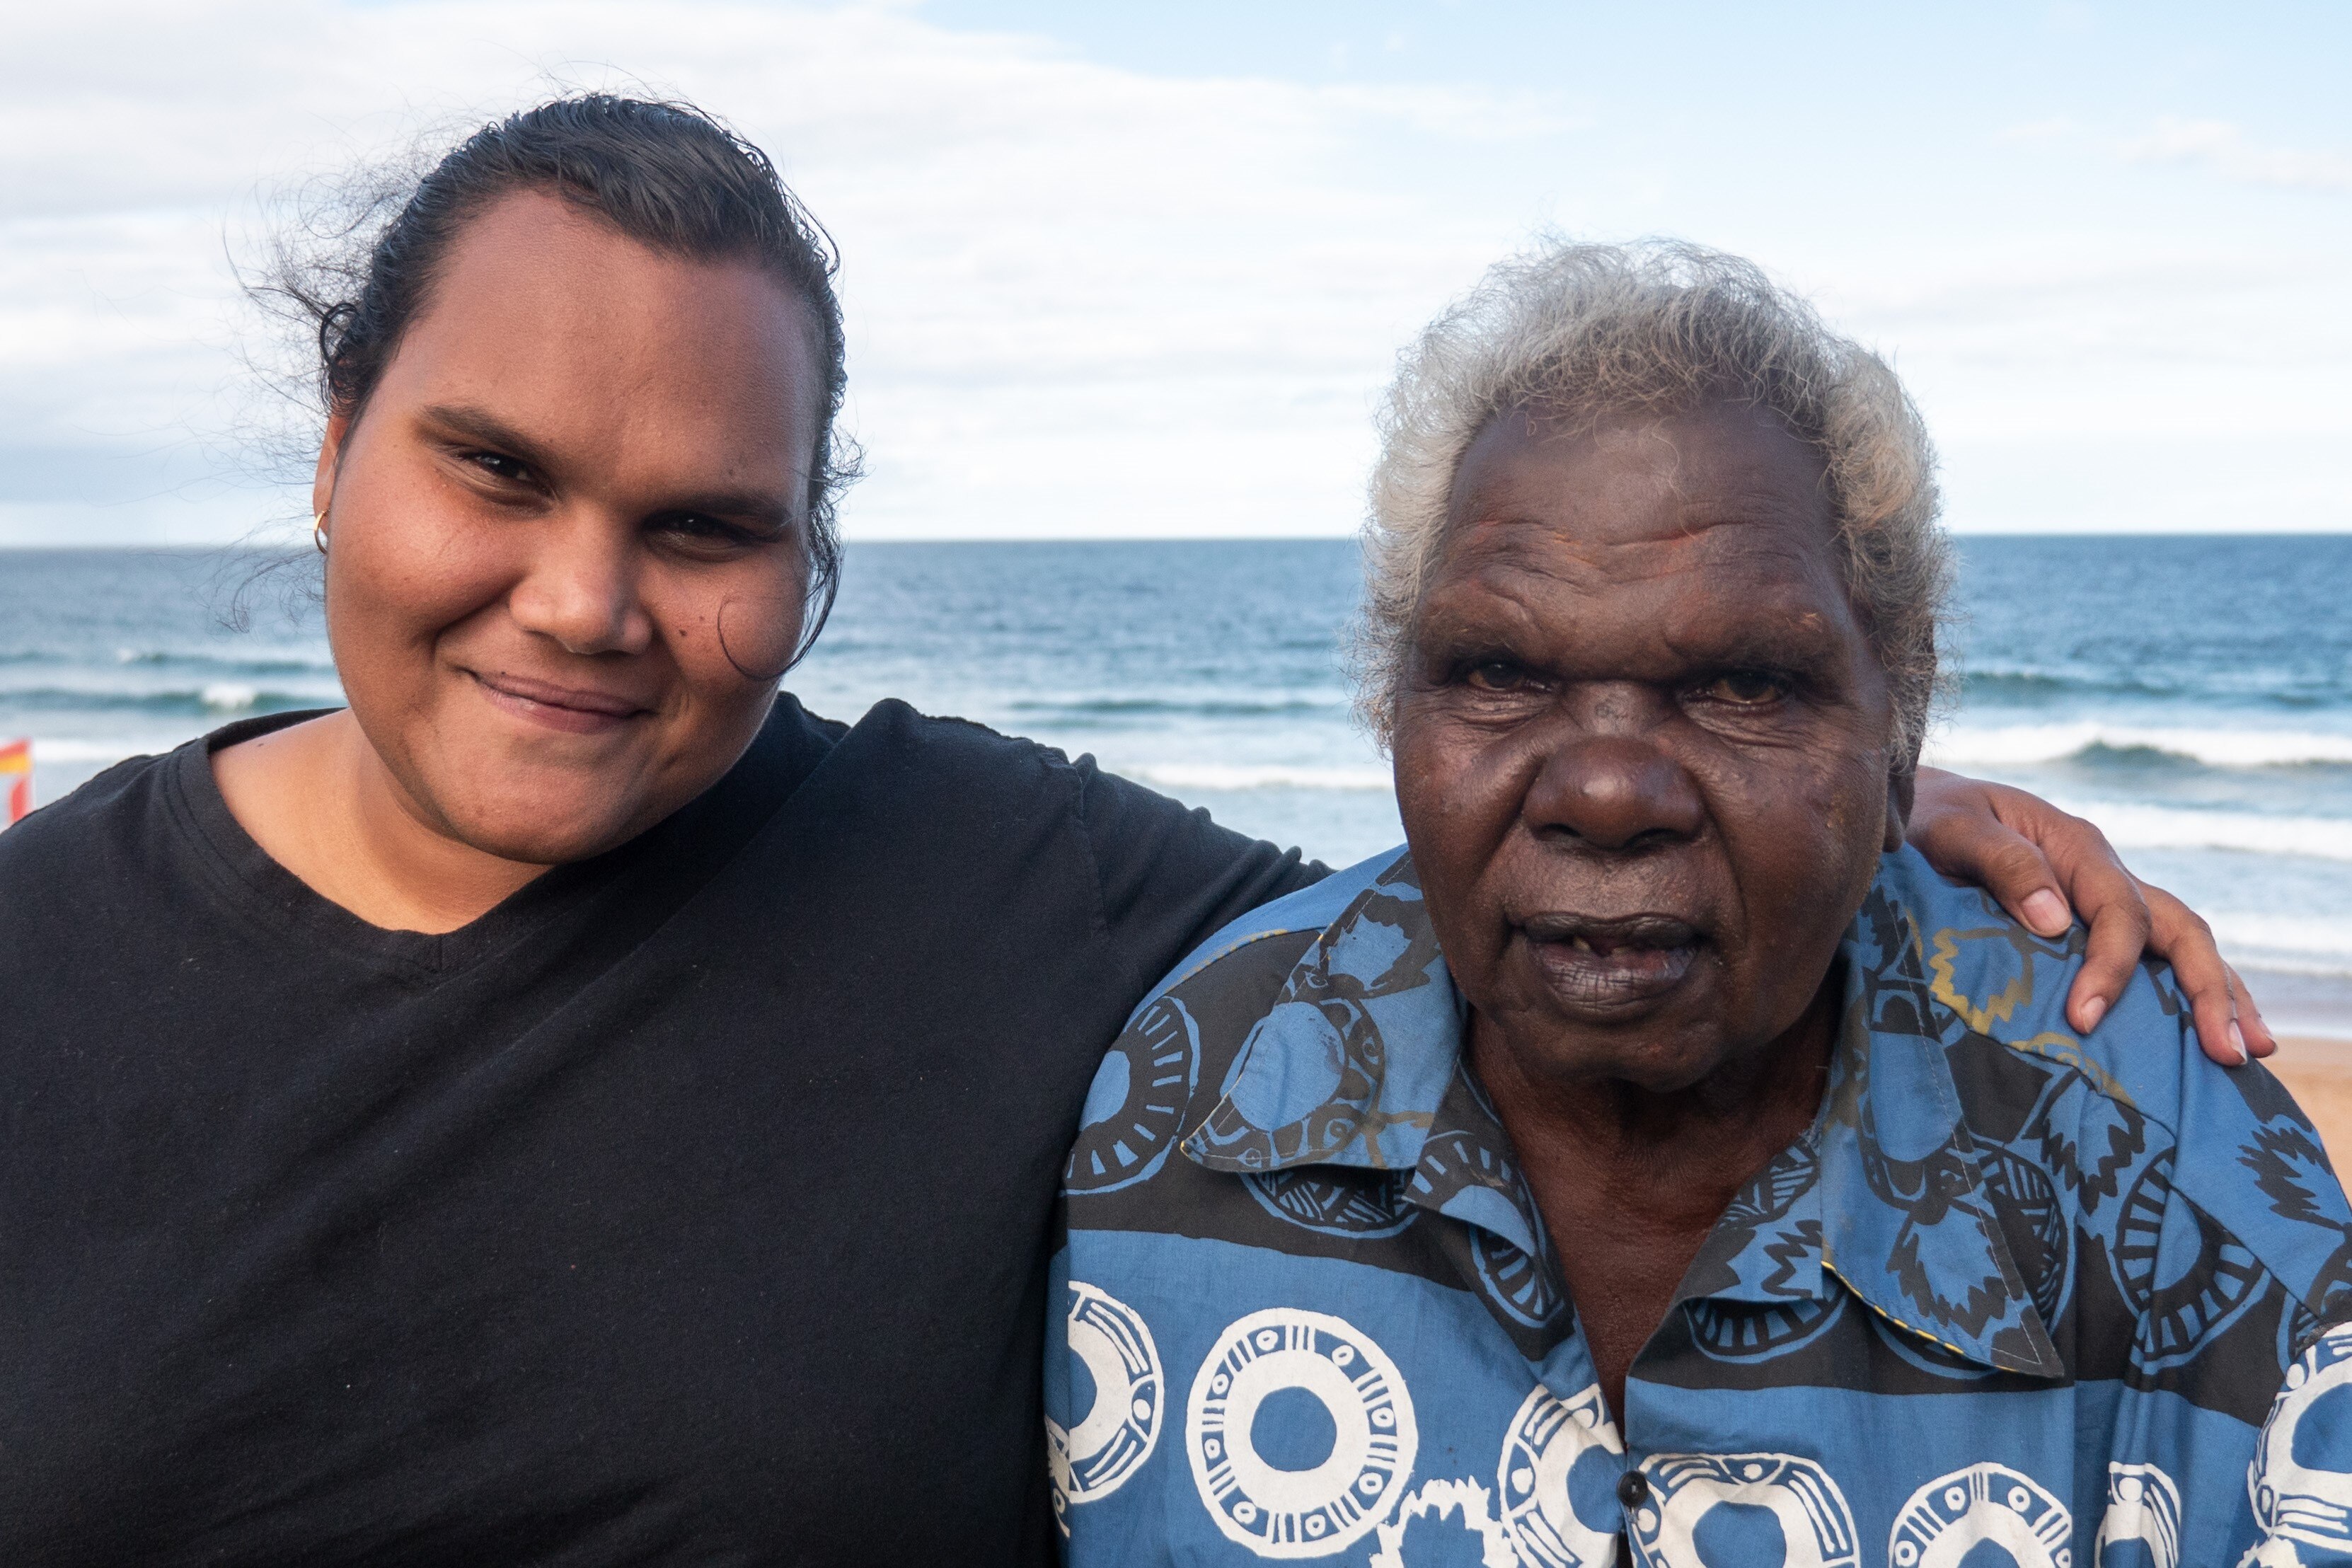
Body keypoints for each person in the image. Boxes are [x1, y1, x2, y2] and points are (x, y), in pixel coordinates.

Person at [0, 98, 2269, 1567]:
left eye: (703, 524)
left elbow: (1519, 883)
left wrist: (1875, 791)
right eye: (493, 470)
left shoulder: (998, 884)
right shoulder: (34, 970)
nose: (584, 603)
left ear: (810, 558)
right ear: (333, 443)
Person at [1049, 239, 2352, 1567]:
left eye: (1742, 683)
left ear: (1898, 723)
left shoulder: (2168, 1172)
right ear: (1393, 705)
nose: (1608, 790)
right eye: (1497, 669)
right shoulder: (1160, 1127)